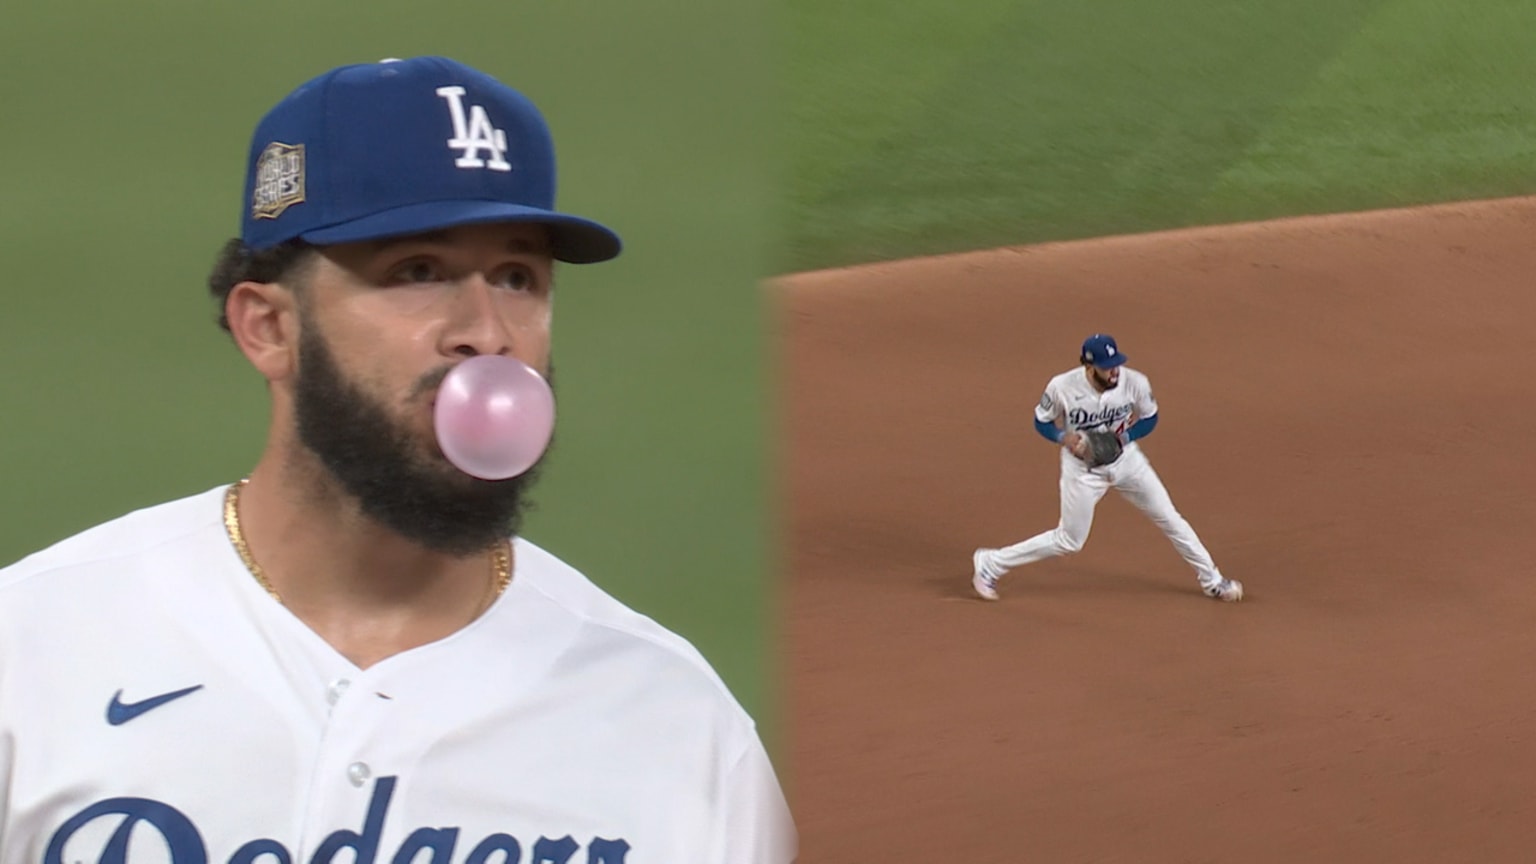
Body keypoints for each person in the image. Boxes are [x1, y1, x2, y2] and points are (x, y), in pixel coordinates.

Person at [0, 56, 795, 862]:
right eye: (419, 271)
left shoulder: (679, 729)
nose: (487, 333)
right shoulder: (31, 653)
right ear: (269, 328)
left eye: (517, 277)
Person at [971, 333, 1243, 604]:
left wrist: (1124, 437)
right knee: (1070, 541)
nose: (1114, 371)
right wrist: (1062, 437)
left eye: (1116, 364)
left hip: (1127, 462)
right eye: (1107, 367)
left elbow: (1150, 417)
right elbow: (1041, 421)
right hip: (1083, 470)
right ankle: (991, 563)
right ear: (1089, 367)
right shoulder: (1061, 386)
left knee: (1170, 518)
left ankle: (1213, 581)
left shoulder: (1135, 382)